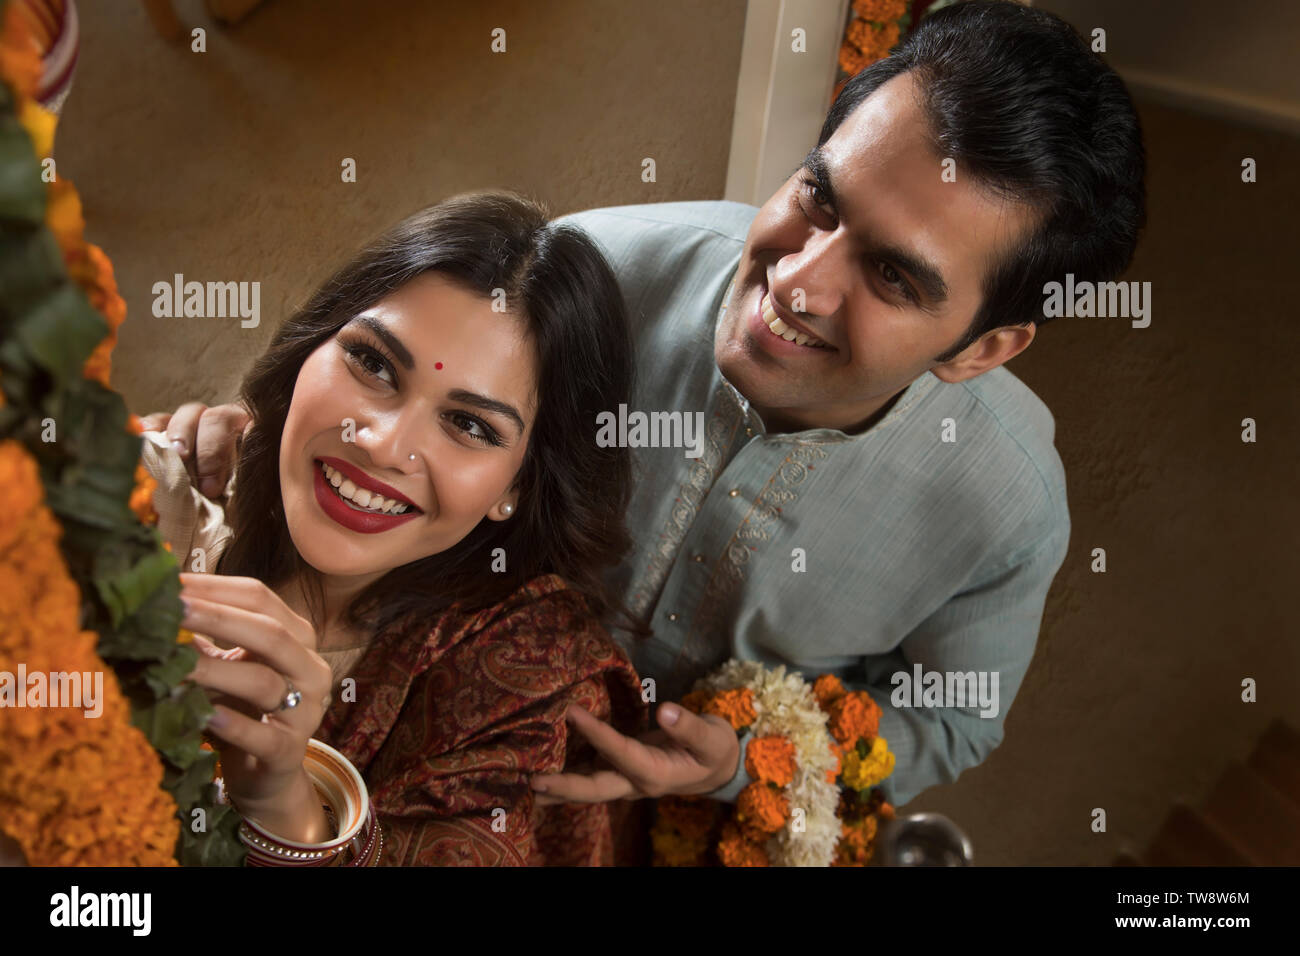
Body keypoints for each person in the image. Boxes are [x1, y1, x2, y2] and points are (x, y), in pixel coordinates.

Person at [153, 0, 1147, 838]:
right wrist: (275, 428)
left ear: (981, 347)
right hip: (435, 701)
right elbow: (406, 381)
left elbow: (953, 718)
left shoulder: (1006, 505)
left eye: (890, 274)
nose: (797, 282)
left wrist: (737, 763)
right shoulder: (587, 273)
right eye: (817, 197)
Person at [138, 191, 649, 865]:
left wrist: (283, 807)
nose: (381, 445)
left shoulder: (531, 681)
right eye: (373, 364)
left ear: (517, 488)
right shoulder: (149, 505)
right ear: (309, 352)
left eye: (470, 425)